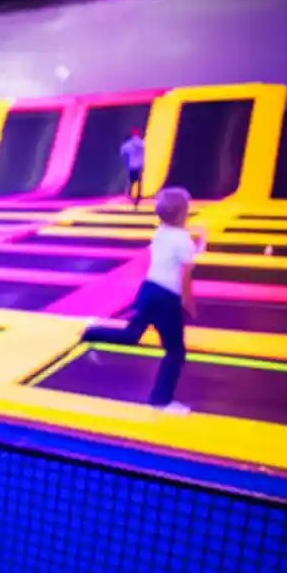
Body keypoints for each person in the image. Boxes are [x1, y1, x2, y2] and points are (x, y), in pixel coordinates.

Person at [81, 187, 198, 415]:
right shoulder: (183, 240)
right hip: (166, 298)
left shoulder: (161, 232)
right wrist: (189, 304)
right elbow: (185, 277)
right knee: (175, 351)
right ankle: (161, 400)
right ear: (183, 213)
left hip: (148, 290)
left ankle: (92, 332)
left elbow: (174, 253)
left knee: (131, 335)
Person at [119, 126, 145, 209]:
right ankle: (137, 197)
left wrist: (126, 159)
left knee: (132, 182)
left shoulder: (129, 144)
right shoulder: (141, 143)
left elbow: (122, 151)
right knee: (138, 183)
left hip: (132, 165)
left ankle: (131, 196)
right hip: (139, 165)